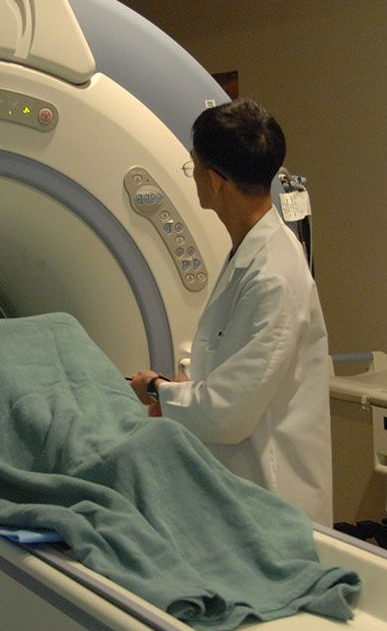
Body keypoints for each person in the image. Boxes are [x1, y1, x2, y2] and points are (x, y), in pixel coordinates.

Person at [129, 99, 334, 525]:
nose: (194, 177)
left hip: (272, 496)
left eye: (194, 167)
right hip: (239, 481)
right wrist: (190, 378)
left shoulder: (274, 273)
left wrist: (157, 390)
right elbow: (236, 363)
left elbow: (228, 414)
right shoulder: (250, 251)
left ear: (216, 180)